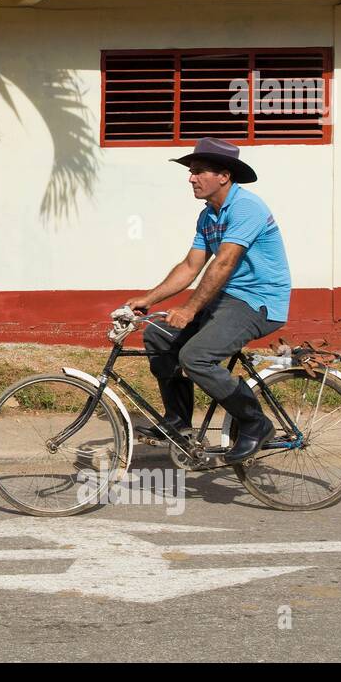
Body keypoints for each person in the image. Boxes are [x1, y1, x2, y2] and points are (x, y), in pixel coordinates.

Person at [123, 138, 292, 463]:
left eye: (199, 171)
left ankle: (255, 423)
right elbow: (190, 266)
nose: (191, 178)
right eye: (191, 172)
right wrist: (149, 298)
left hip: (259, 301)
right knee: (159, 334)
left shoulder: (247, 207)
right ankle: (178, 421)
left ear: (224, 176)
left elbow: (225, 262)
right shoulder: (208, 217)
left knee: (195, 356)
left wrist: (189, 309)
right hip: (228, 300)